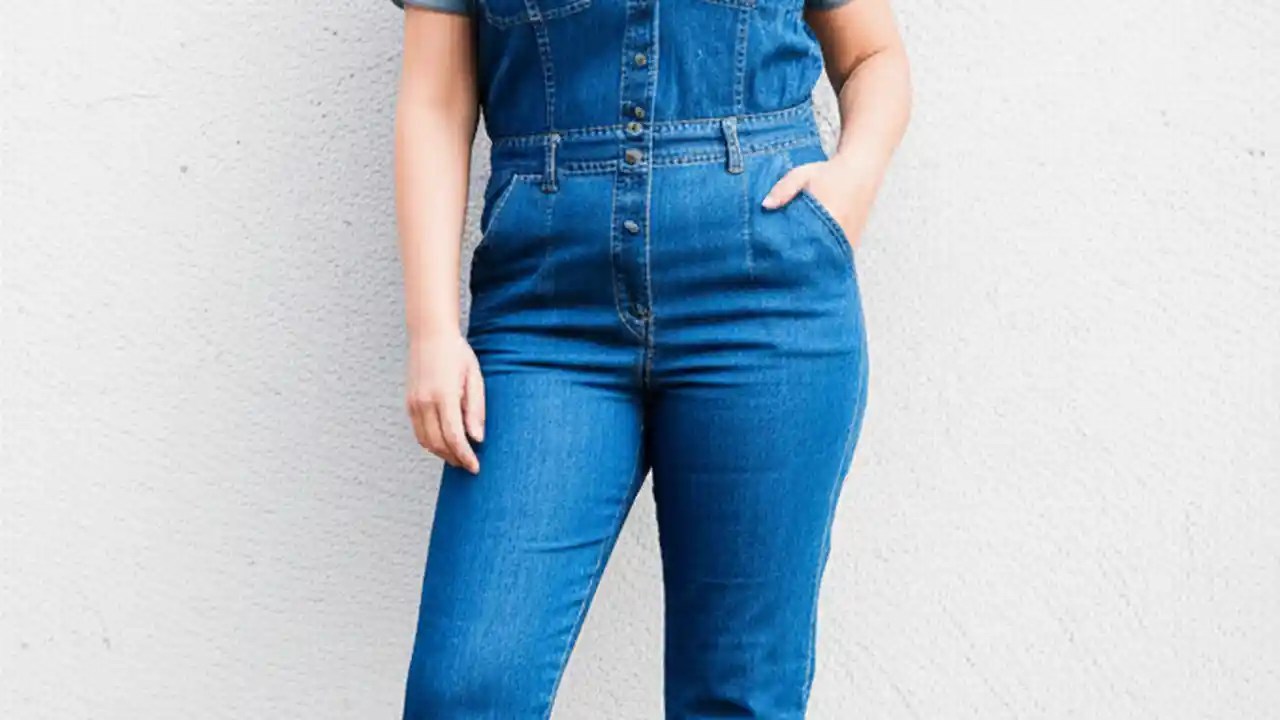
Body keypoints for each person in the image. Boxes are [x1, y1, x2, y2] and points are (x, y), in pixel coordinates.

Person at [389, 0, 911, 715]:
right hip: (545, 314)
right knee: (468, 690)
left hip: (764, 298)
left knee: (737, 695)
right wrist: (432, 330)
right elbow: (434, 97)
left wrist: (853, 181)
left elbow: (872, 57)